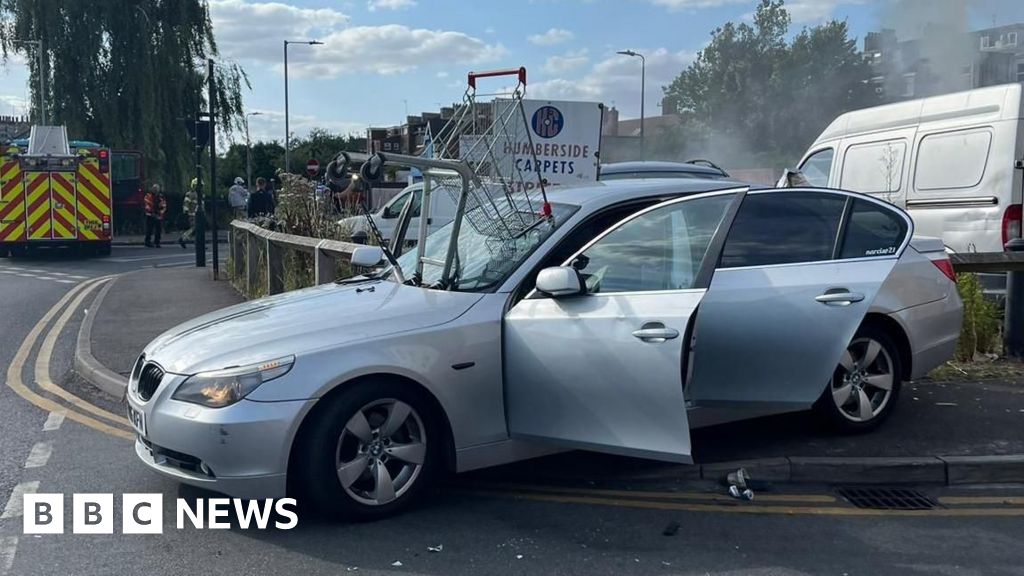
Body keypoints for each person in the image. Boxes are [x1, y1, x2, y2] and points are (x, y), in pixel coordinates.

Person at [178, 178, 202, 249]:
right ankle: (183, 239)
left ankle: (196, 243)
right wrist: (186, 212)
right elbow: (186, 203)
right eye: (199, 186)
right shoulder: (190, 194)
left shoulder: (199, 194)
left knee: (197, 229)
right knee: (195, 228)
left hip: (197, 214)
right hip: (192, 214)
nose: (200, 187)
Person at [143, 183, 167, 248]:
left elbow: (164, 206)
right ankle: (147, 242)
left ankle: (157, 242)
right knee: (149, 230)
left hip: (158, 215)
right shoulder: (148, 196)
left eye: (156, 189)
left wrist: (160, 213)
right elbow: (147, 205)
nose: (155, 190)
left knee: (158, 230)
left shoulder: (161, 197)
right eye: (154, 189)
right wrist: (151, 212)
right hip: (150, 215)